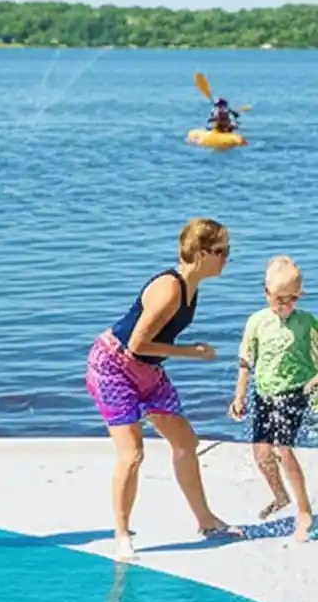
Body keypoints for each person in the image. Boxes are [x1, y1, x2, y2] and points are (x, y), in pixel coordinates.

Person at [84, 217, 242, 562]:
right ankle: (122, 534)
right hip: (113, 367)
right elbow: (137, 343)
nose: (227, 258)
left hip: (148, 371)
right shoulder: (170, 287)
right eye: (221, 251)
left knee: (186, 442)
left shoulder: (192, 286)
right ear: (200, 254)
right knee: (133, 453)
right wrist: (192, 353)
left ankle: (205, 520)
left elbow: (148, 349)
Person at [229, 256, 315, 542]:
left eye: (291, 300)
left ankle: (304, 512)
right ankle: (281, 496)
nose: (285, 306)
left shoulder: (306, 322)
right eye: (279, 299)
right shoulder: (256, 322)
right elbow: (246, 362)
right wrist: (240, 395)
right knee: (262, 454)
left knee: (282, 448)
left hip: (296, 390)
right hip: (264, 393)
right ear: (266, 294)